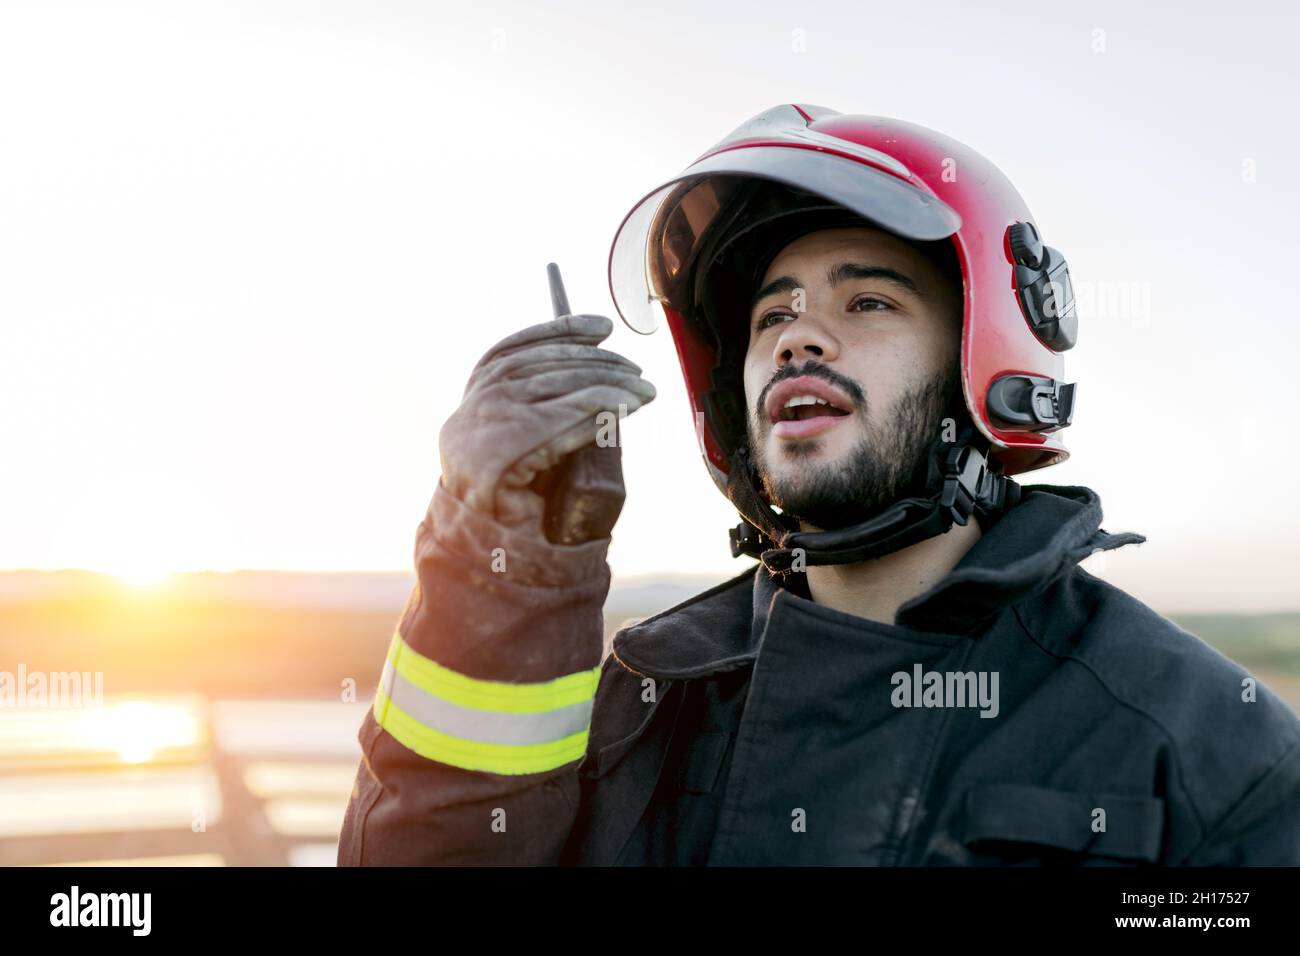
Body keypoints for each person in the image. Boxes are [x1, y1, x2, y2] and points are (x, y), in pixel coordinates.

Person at [337, 104, 1300, 865]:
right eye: (770, 317)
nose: (799, 334)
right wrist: (494, 571)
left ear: (988, 354)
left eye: (868, 299)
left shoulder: (1206, 747)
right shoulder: (649, 701)